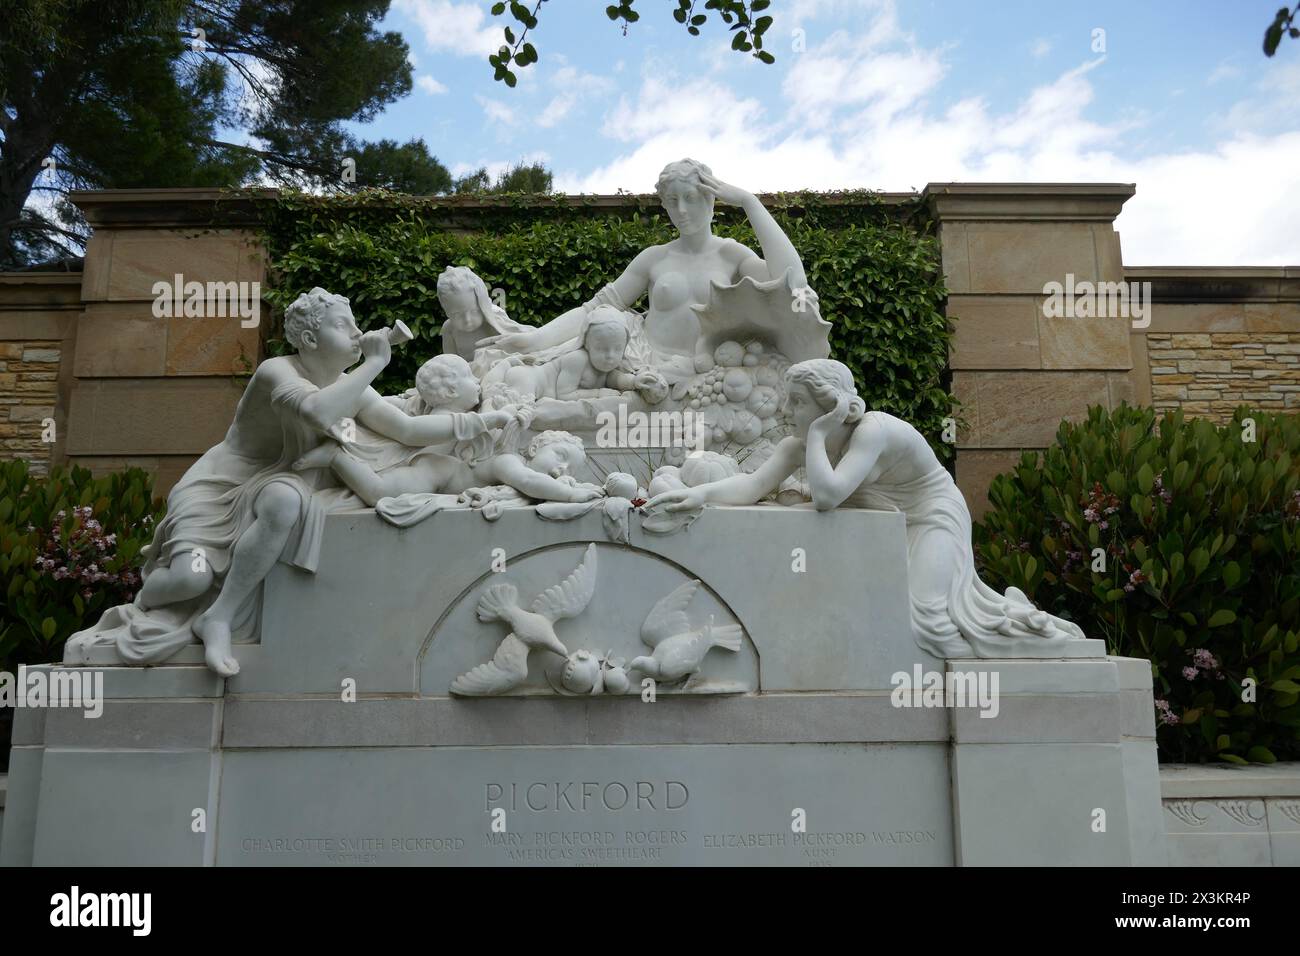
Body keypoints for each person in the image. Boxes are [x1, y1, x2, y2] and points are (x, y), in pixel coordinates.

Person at [66, 289, 503, 677]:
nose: (356, 332)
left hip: (275, 482)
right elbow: (316, 412)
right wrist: (373, 362)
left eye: (355, 325)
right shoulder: (278, 372)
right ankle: (142, 604)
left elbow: (407, 431)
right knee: (188, 582)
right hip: (220, 486)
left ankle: (218, 617)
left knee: (285, 502)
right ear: (311, 340)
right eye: (342, 326)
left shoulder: (349, 386)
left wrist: (481, 421)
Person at [646, 358, 1088, 659]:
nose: (786, 409)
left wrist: (818, 435)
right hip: (883, 522)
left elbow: (827, 497)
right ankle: (1012, 623)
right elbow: (753, 484)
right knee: (912, 619)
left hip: (930, 518)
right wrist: (699, 496)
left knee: (930, 621)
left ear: (831, 404)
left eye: (798, 401)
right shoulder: (797, 444)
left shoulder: (873, 431)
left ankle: (1039, 643)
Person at [481, 159, 811, 382]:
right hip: (642, 362)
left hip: (705, 368)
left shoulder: (732, 255)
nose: (681, 210)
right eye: (672, 200)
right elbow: (597, 309)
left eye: (691, 198)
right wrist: (538, 338)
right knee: (546, 369)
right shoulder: (654, 258)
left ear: (712, 200)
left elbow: (793, 283)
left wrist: (749, 202)